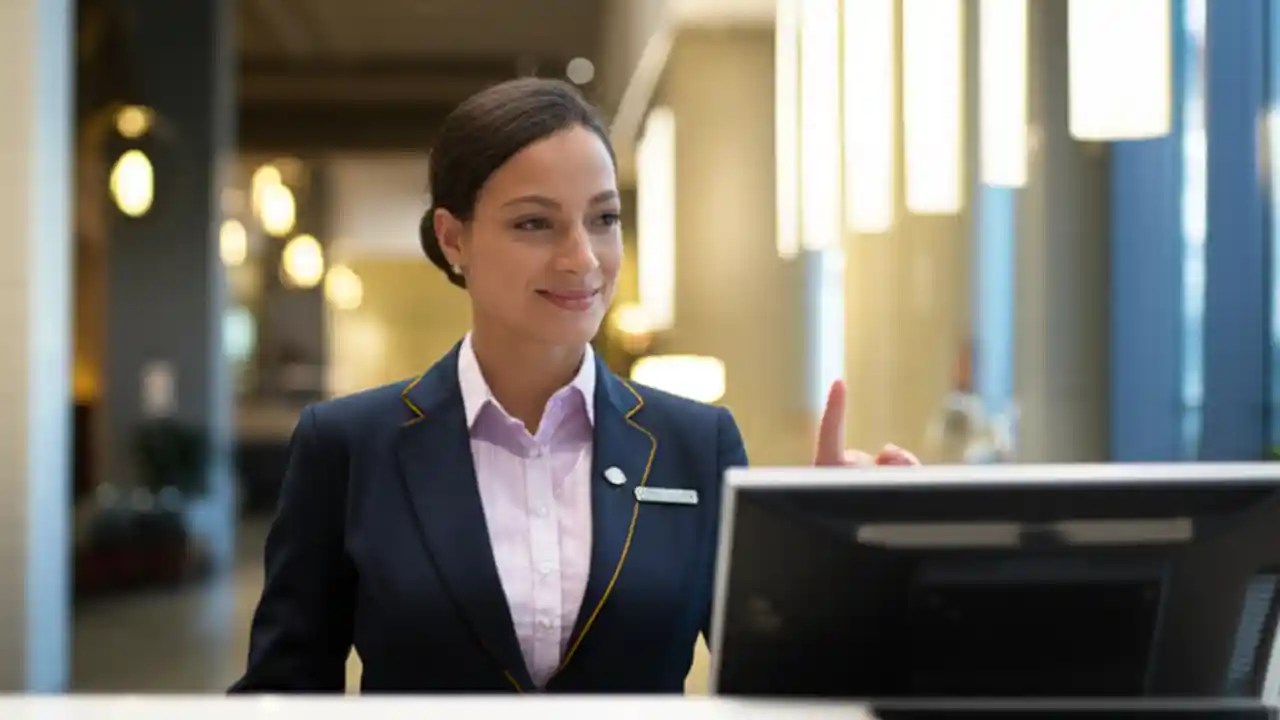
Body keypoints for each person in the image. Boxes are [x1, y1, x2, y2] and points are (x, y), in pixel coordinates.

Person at [230, 78, 918, 695]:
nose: (583, 258)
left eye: (605, 219)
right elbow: (282, 695)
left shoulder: (696, 444)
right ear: (453, 239)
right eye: (536, 223)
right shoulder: (350, 446)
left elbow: (780, 683)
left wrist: (837, 558)